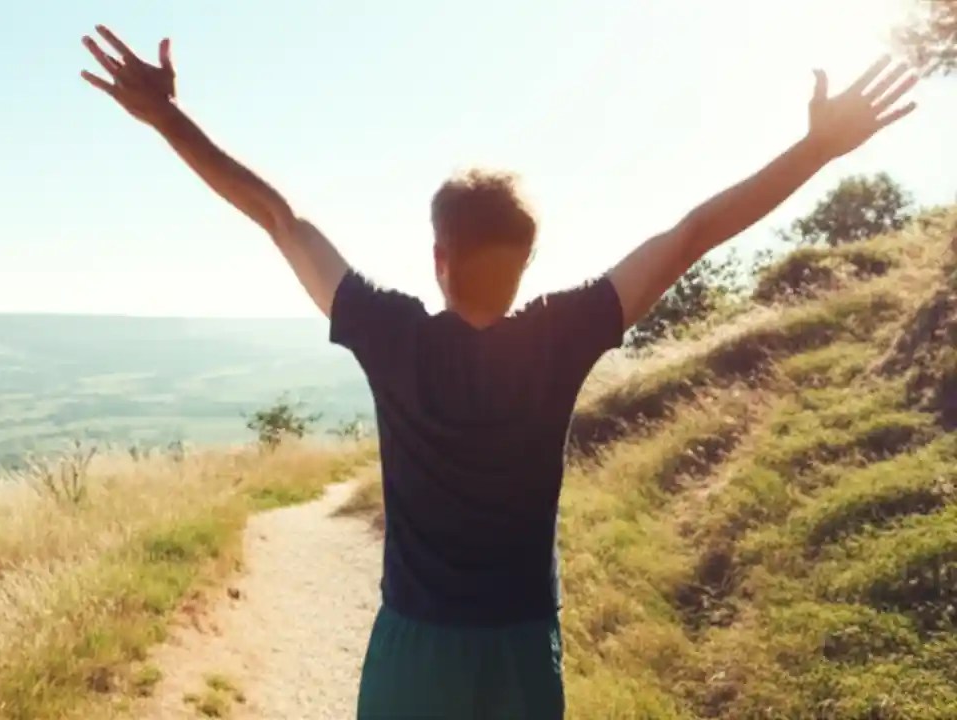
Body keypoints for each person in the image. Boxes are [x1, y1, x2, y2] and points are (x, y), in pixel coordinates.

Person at [79, 23, 918, 720]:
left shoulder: (389, 331)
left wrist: (166, 119)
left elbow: (277, 215)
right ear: (527, 260)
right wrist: (816, 150)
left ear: (438, 257)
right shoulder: (562, 334)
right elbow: (693, 231)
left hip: (416, 647)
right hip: (522, 647)